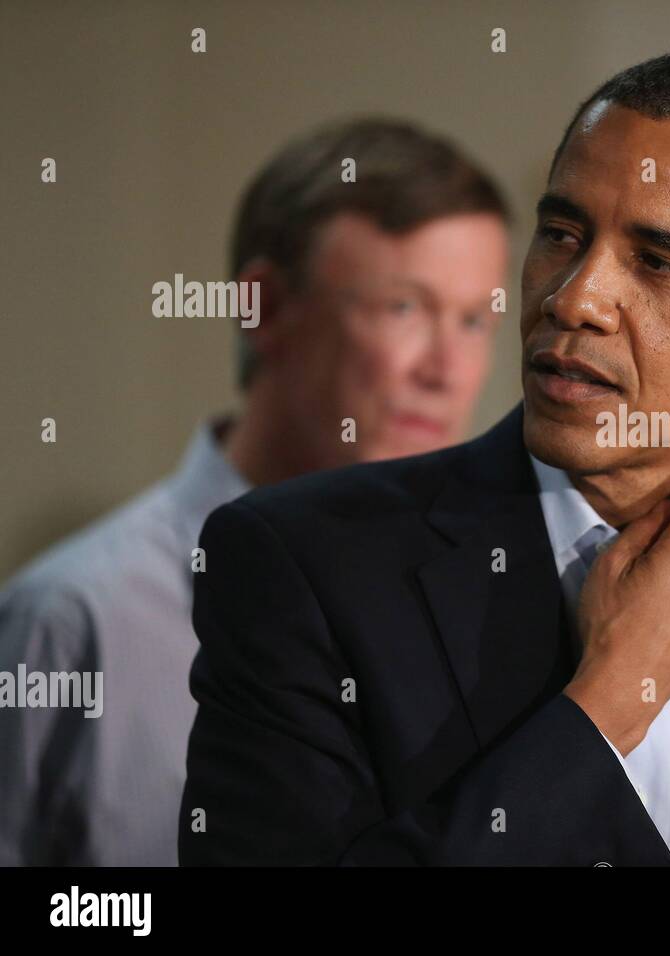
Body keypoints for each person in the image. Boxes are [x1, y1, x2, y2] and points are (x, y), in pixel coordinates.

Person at [180, 52, 670, 867]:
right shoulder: (306, 567)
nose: (574, 297)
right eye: (562, 234)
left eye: (660, 262)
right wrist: (603, 707)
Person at [0, 117, 510, 865]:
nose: (448, 371)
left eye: (473, 320)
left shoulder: (492, 605)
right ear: (265, 309)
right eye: (403, 308)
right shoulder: (70, 622)